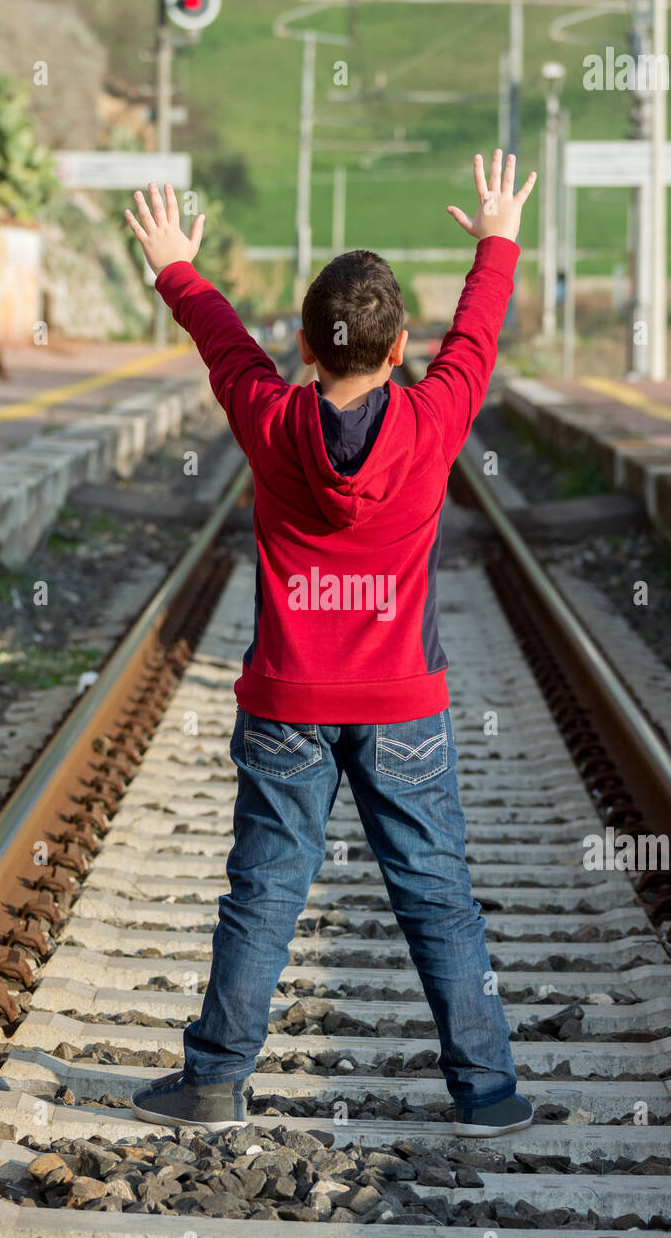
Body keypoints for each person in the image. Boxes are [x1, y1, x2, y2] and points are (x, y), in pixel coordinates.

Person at [125, 151, 537, 1138]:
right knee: (436, 890)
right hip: (403, 705)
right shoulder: (433, 420)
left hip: (285, 704)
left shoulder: (268, 418)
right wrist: (496, 238)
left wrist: (177, 265)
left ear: (303, 351)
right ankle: (484, 1090)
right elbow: (475, 338)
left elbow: (223, 345)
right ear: (399, 352)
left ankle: (216, 1080)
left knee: (264, 884)